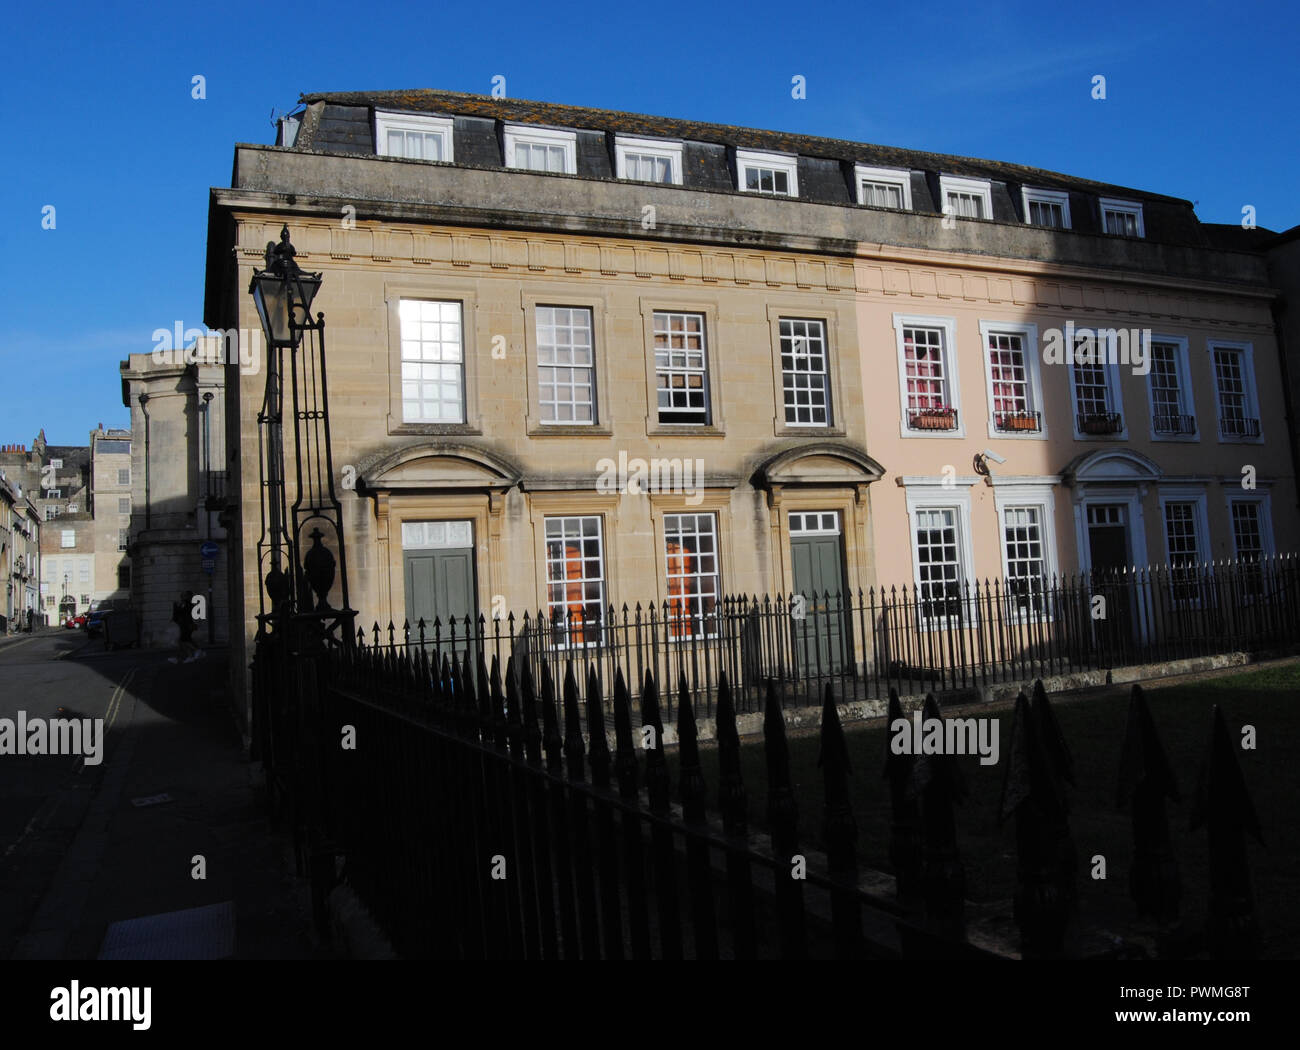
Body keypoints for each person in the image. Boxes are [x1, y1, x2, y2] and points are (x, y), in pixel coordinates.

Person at [168, 591, 202, 664]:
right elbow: (178, 614)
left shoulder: (187, 605)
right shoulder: (185, 604)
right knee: (186, 640)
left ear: (188, 597)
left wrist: (176, 606)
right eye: (182, 595)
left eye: (184, 596)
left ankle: (193, 653)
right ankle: (180, 657)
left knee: (183, 641)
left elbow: (182, 612)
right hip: (184, 625)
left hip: (186, 625)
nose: (182, 597)